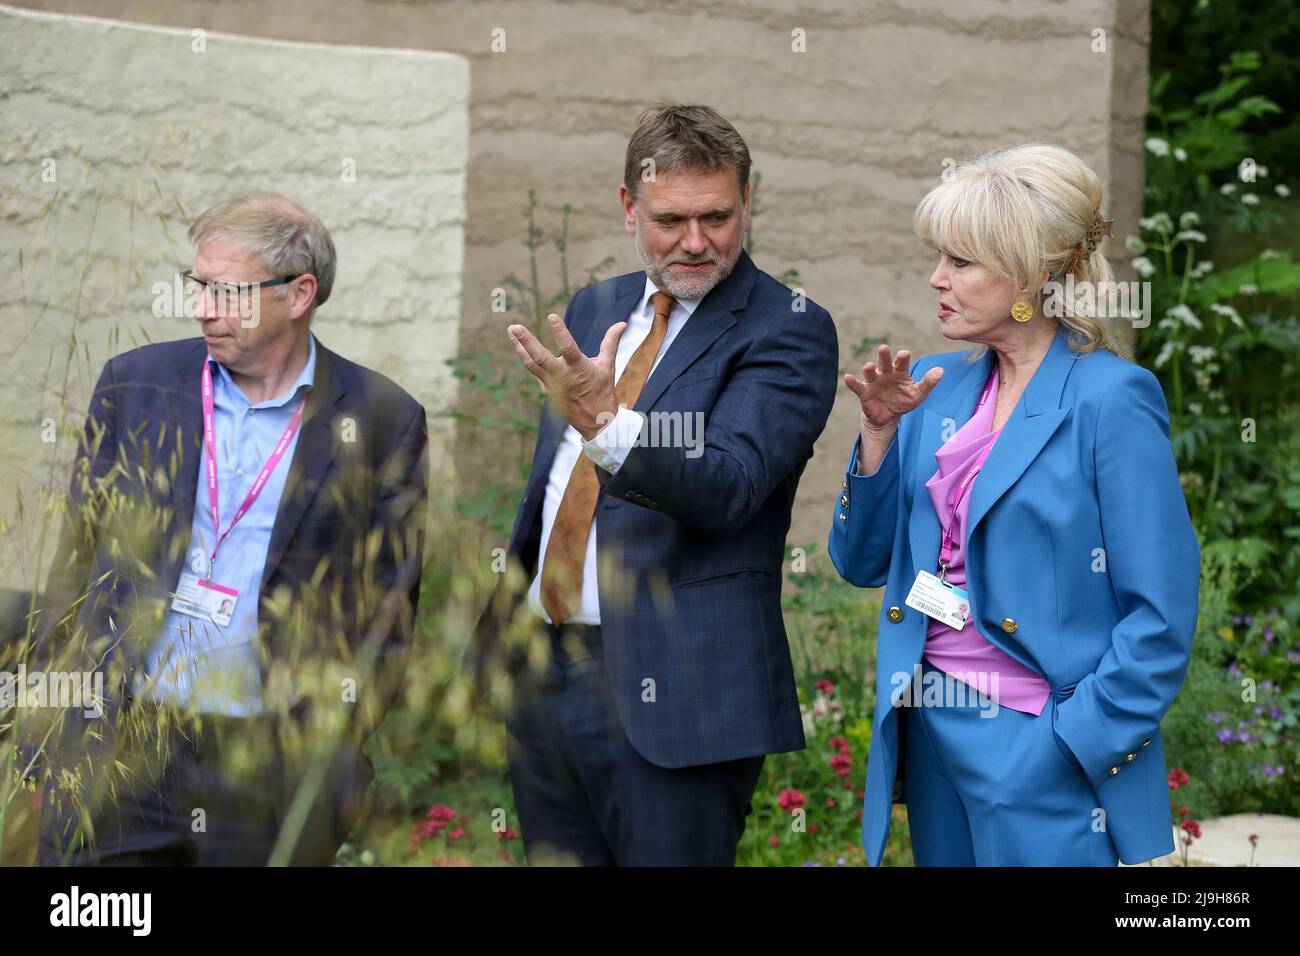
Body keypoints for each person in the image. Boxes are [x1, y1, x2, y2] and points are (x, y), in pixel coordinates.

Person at [463, 105, 839, 865]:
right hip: (542, 670)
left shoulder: (788, 327)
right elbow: (551, 486)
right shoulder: (595, 308)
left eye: (717, 216)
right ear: (628, 207)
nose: (695, 241)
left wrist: (609, 423)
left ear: (747, 201)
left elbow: (728, 483)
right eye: (670, 219)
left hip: (681, 690)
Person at [29, 191, 428, 865]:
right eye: (199, 286)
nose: (203, 309)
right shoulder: (136, 386)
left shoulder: (384, 418)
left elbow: (389, 608)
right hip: (121, 744)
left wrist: (332, 744)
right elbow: (76, 562)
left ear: (299, 294)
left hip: (267, 770)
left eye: (227, 291)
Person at [829, 144, 1200, 866]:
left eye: (961, 262)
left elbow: (1161, 615)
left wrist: (1071, 742)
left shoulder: (1111, 400)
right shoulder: (937, 384)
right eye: (940, 257)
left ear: (1033, 274)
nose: (937, 278)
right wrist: (879, 434)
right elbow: (864, 563)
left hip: (1038, 739)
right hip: (930, 724)